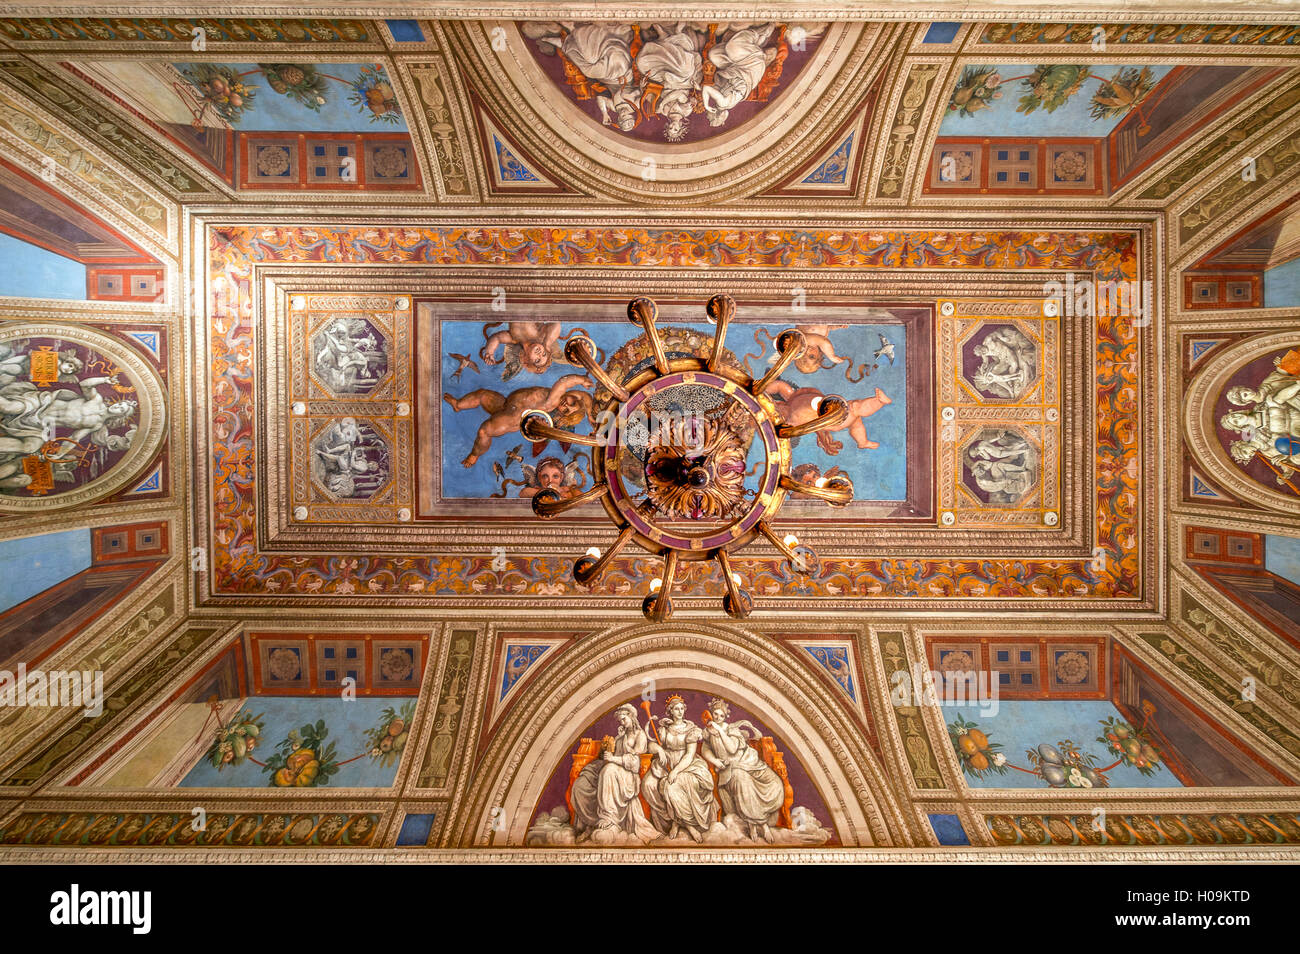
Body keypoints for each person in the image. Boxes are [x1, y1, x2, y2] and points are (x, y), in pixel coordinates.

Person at [569, 704, 658, 842]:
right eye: (620, 720)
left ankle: (608, 817)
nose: (622, 723)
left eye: (624, 719)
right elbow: (611, 754)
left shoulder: (639, 735)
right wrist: (607, 749)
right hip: (615, 768)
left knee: (608, 771)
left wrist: (613, 759)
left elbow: (635, 762)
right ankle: (588, 824)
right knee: (582, 782)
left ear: (632, 717)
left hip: (628, 774)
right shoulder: (620, 736)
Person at [700, 698, 784, 842]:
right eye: (715, 715)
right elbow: (705, 749)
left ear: (725, 716)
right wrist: (715, 761)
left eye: (721, 715)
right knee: (742, 781)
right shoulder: (707, 732)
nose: (718, 718)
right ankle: (759, 825)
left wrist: (720, 730)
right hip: (730, 769)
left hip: (748, 763)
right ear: (711, 714)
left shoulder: (731, 729)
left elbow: (732, 748)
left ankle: (759, 822)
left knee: (775, 782)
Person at [641, 694, 717, 841]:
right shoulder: (664, 728)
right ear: (671, 711)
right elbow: (651, 745)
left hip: (687, 765)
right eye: (676, 709)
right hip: (666, 764)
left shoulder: (690, 729)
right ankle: (674, 820)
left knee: (671, 786)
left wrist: (675, 771)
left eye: (682, 708)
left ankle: (683, 824)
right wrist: (659, 750)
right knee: (648, 784)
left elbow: (689, 755)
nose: (680, 711)